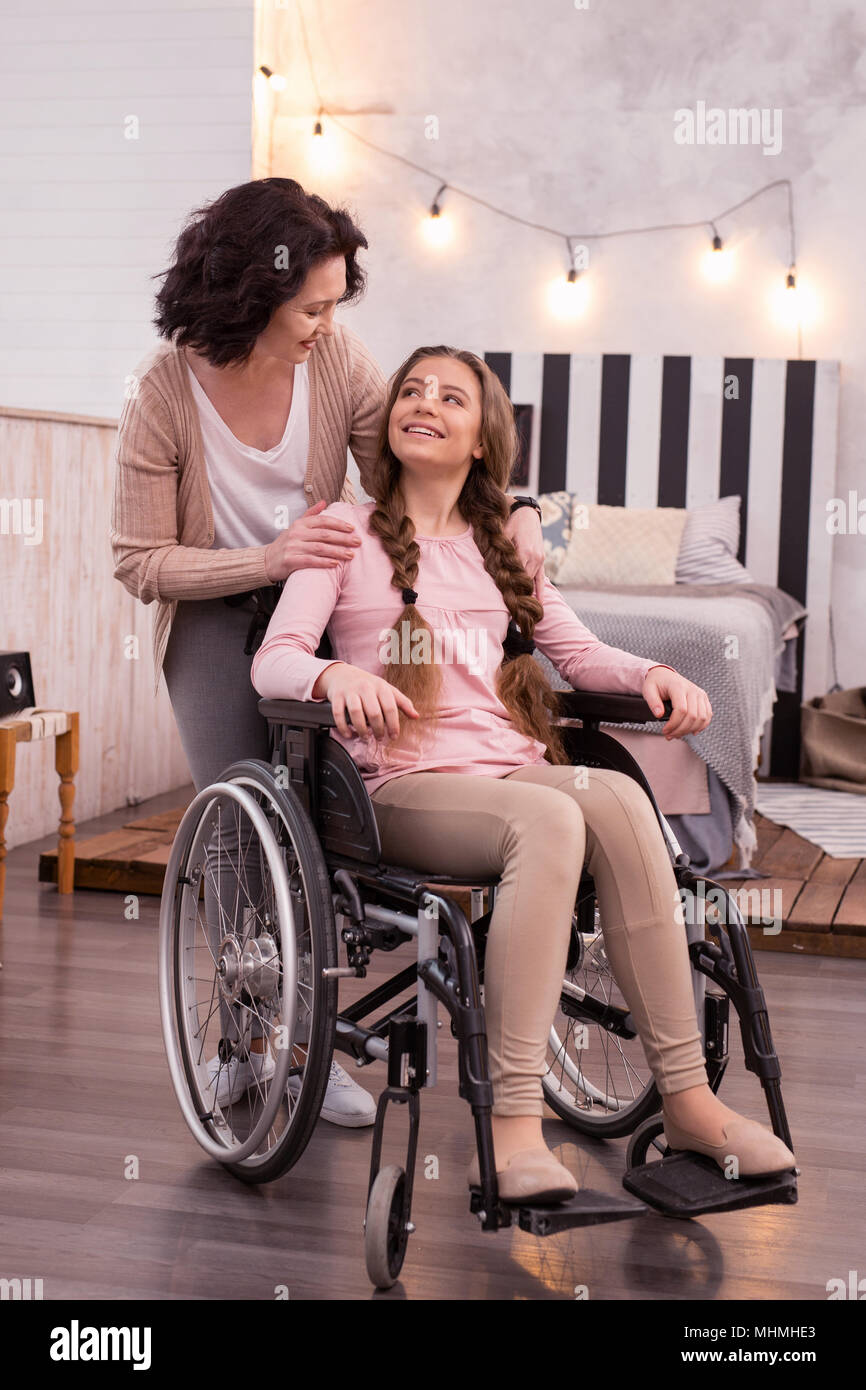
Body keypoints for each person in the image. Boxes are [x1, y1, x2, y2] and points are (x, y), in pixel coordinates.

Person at [251, 344, 798, 1203]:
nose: (423, 401)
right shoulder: (343, 532)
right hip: (396, 786)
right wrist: (331, 674)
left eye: (451, 396)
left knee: (616, 796)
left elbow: (573, 649)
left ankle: (688, 1100)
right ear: (390, 419)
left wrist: (647, 674)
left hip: (506, 767)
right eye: (412, 390)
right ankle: (511, 1124)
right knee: (549, 822)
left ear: (481, 439)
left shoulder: (504, 533)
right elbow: (274, 660)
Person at [109, 178, 545, 1128]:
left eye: (335, 301)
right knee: (244, 828)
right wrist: (267, 557)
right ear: (248, 295)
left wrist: (514, 509)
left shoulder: (336, 359)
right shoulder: (163, 393)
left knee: (328, 828)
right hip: (220, 613)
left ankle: (317, 1031)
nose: (326, 320)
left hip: (325, 600)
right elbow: (138, 561)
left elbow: (410, 457)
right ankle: (252, 1043)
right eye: (311, 304)